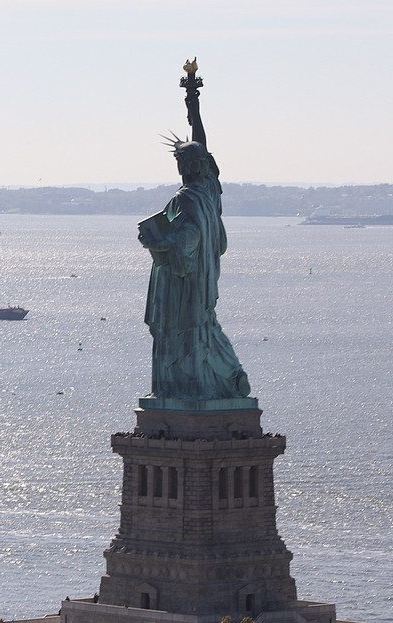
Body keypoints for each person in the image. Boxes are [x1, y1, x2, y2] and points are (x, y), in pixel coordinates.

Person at [138, 59, 250, 403]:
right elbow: (201, 143)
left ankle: (190, 385)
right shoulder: (209, 190)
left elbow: (187, 241)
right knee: (204, 327)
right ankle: (226, 377)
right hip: (203, 279)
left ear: (185, 167)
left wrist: (155, 242)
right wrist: (192, 102)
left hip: (184, 283)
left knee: (184, 332)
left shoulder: (189, 197)